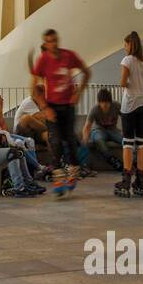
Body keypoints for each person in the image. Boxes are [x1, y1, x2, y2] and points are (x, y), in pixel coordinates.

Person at [31, 29, 91, 180]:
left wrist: (79, 92)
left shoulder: (69, 56)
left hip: (68, 106)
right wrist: (45, 108)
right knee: (55, 140)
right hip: (52, 106)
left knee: (70, 139)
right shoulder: (43, 60)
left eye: (55, 40)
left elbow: (86, 72)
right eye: (49, 41)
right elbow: (33, 88)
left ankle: (74, 169)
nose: (53, 44)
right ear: (45, 43)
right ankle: (57, 171)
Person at [116, 31, 143, 198]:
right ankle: (140, 181)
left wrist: (128, 83)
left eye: (125, 44)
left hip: (130, 105)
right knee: (141, 143)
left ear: (129, 44)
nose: (124, 48)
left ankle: (126, 181)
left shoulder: (127, 60)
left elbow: (123, 82)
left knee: (127, 142)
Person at [83, 88, 123, 171]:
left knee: (126, 139)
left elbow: (126, 118)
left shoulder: (116, 106)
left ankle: (135, 159)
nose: (105, 105)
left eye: (107, 102)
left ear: (110, 102)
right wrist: (85, 139)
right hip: (99, 130)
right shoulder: (95, 109)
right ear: (99, 102)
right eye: (102, 103)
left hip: (113, 130)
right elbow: (87, 126)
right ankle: (112, 160)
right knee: (98, 139)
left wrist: (127, 131)